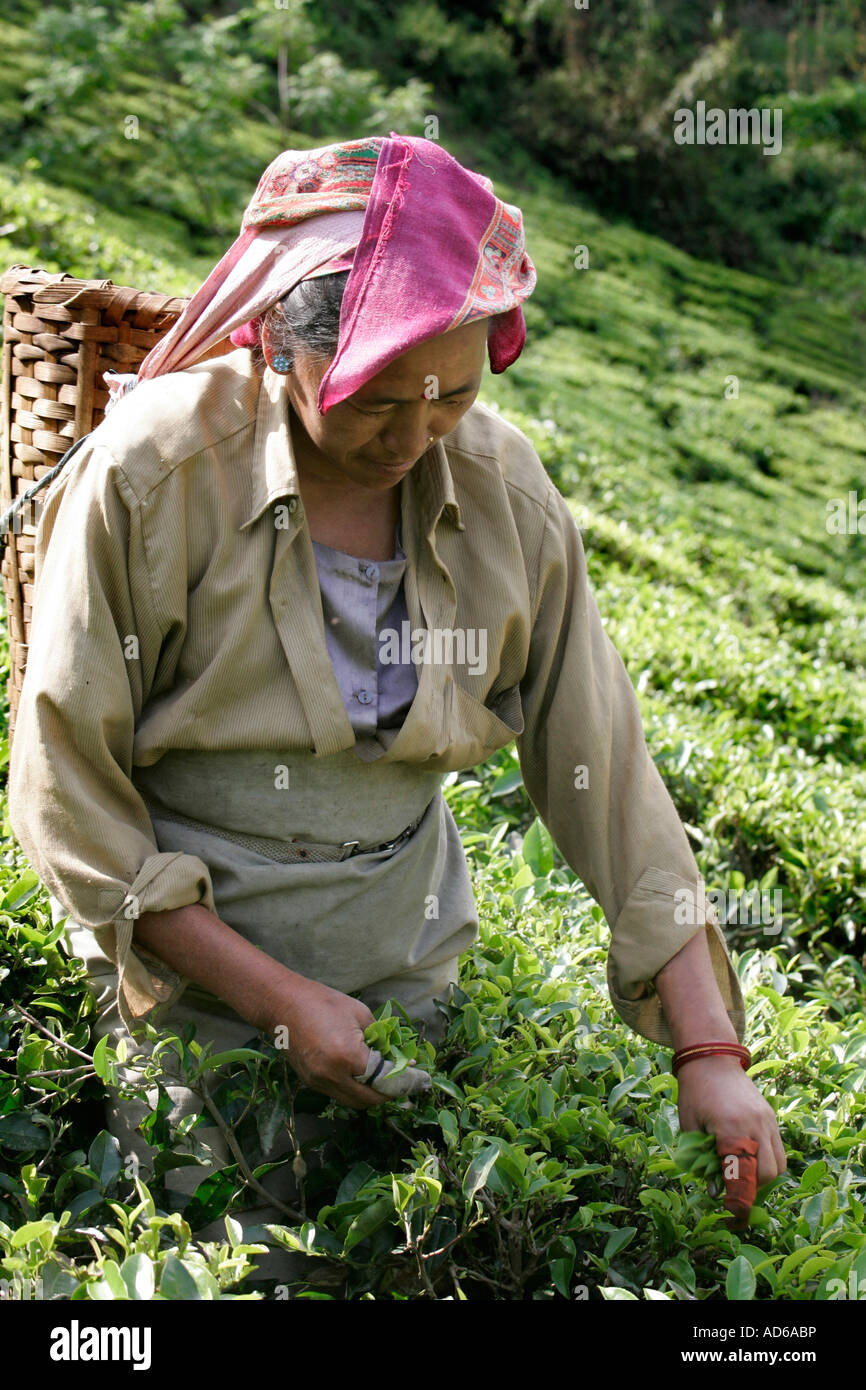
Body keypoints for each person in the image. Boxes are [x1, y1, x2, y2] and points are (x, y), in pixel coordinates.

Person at [7, 135, 785, 1259]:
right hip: (192, 983)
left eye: (451, 397)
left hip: (404, 964)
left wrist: (707, 1054)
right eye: (375, 402)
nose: (415, 438)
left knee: (395, 1250)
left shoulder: (499, 484)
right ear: (277, 342)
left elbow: (598, 765)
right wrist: (277, 1002)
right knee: (213, 1256)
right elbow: (66, 794)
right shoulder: (155, 473)